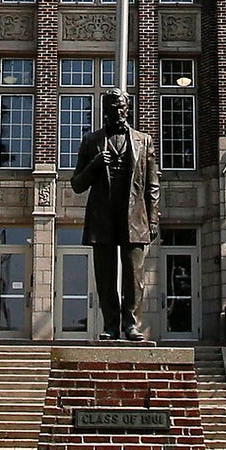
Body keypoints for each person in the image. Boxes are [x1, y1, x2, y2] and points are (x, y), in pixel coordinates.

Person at [69, 88, 158, 340]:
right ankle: (110, 325)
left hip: (134, 216)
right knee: (105, 277)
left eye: (122, 107)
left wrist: (153, 219)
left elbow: (152, 185)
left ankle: (132, 324)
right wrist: (95, 164)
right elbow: (77, 184)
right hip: (103, 216)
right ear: (105, 111)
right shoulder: (91, 141)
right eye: (113, 108)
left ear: (128, 109)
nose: (118, 112)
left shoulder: (144, 141)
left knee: (134, 276)